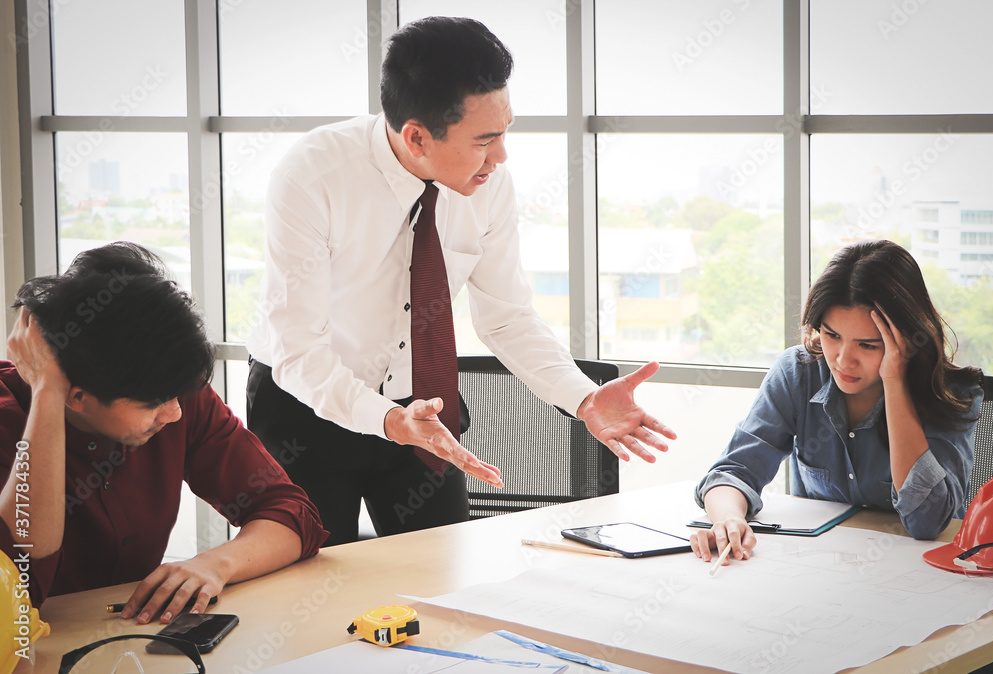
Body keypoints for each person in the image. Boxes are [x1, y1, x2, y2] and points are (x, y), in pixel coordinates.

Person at [246, 16, 676, 546]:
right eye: (485, 140)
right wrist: (385, 419)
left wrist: (583, 399)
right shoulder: (313, 175)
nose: (501, 156)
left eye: (506, 131)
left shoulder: (488, 182)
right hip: (306, 407)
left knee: (440, 576)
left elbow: (507, 316)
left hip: (424, 412)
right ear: (417, 136)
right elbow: (297, 349)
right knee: (309, 589)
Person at [0, 242, 327, 624]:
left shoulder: (176, 392)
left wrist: (216, 565)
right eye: (153, 402)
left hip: (135, 642)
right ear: (78, 396)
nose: (173, 413)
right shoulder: (12, 414)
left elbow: (291, 514)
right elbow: (19, 573)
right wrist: (48, 394)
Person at [691, 239, 983, 565]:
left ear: (907, 339)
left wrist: (895, 383)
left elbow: (928, 523)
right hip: (819, 571)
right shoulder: (798, 373)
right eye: (831, 336)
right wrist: (728, 519)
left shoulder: (953, 392)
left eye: (868, 345)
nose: (843, 360)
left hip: (919, 576)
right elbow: (734, 471)